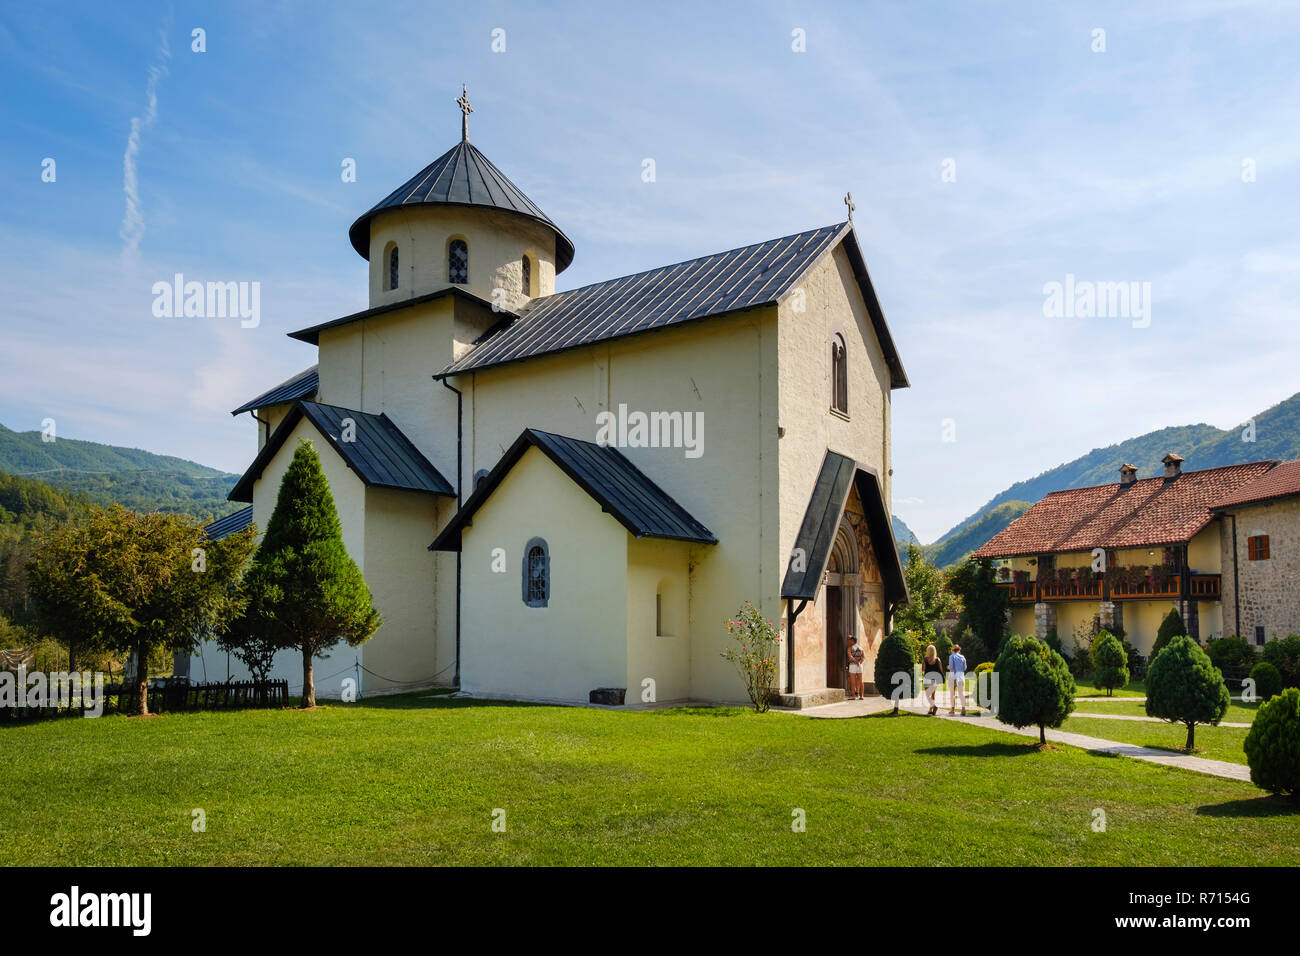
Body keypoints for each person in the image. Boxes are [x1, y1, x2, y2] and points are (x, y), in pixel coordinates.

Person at [921, 643, 944, 715]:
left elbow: (923, 669)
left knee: (927, 694)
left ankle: (933, 707)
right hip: (935, 679)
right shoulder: (937, 660)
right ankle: (931, 709)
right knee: (933, 695)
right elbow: (941, 670)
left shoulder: (925, 659)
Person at [947, 642, 968, 715]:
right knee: (961, 693)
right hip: (961, 675)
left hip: (953, 675)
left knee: (952, 693)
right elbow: (965, 668)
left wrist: (948, 667)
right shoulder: (963, 657)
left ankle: (952, 710)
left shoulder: (951, 656)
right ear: (959, 650)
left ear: (952, 650)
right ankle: (963, 709)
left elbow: (952, 667)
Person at [846, 635, 865, 700]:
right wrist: (859, 662)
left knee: (853, 681)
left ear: (852, 641)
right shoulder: (861, 648)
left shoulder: (850, 648)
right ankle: (861, 696)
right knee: (861, 680)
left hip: (853, 665)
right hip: (860, 665)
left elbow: (850, 656)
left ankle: (853, 696)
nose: (848, 641)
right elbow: (863, 657)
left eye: (850, 640)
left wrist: (855, 661)